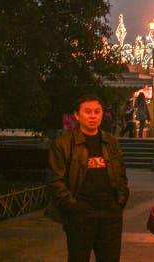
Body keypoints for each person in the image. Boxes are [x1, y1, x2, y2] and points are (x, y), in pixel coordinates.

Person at [46, 93, 129, 262]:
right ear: (77, 115)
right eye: (88, 111)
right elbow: (55, 181)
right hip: (80, 215)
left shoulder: (110, 142)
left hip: (110, 214)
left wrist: (119, 201)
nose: (93, 116)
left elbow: (121, 175)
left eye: (97, 112)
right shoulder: (64, 144)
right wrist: (74, 207)